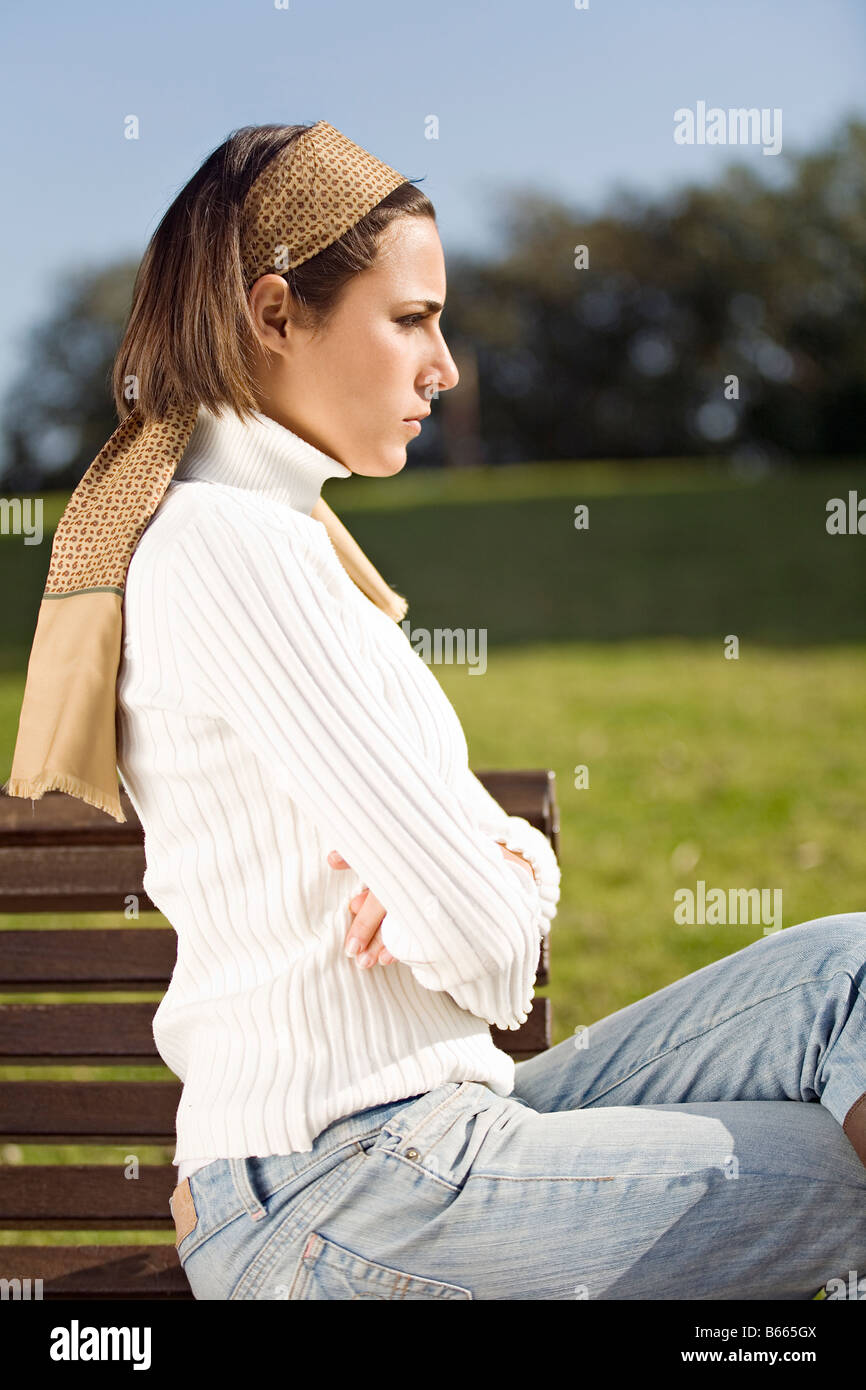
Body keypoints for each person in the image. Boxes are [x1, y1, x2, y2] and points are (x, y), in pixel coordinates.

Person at [8, 122, 866, 1301]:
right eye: (410, 317)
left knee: (850, 971)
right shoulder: (226, 547)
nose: (444, 363)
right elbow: (489, 950)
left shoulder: (281, 539)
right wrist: (475, 882)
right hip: (343, 1189)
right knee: (842, 1183)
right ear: (272, 313)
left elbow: (477, 901)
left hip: (433, 1131)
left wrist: (485, 853)